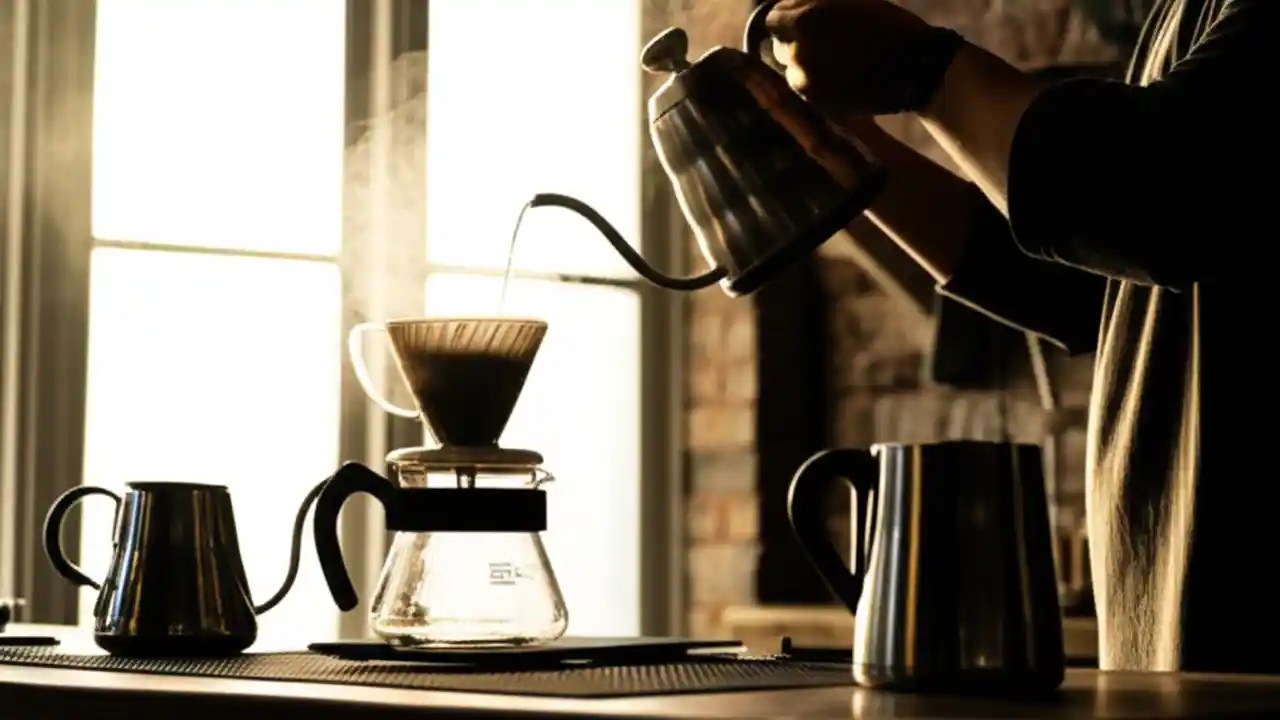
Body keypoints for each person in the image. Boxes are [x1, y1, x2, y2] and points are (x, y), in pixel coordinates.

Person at [763, 0, 1278, 674]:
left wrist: (920, 68)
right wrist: (830, 147)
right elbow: (1092, 286)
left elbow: (1155, 193)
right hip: (1173, 651)